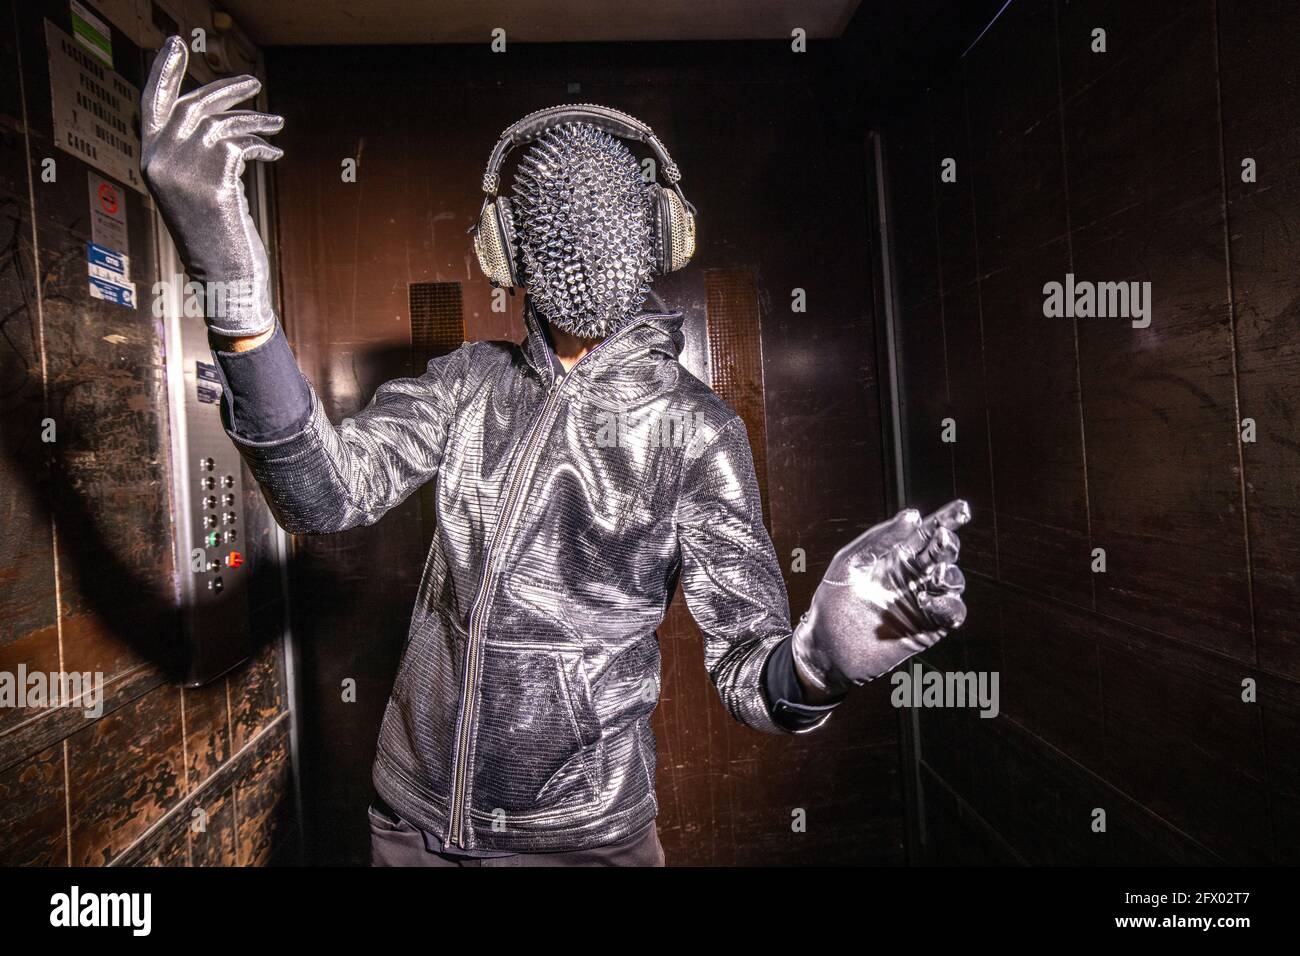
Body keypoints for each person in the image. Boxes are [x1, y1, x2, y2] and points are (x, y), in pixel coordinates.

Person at [139, 36, 971, 867]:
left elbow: (747, 668)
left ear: (655, 232)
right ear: (511, 253)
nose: (588, 228)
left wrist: (817, 664)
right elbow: (322, 497)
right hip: (413, 823)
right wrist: (228, 279)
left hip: (584, 843)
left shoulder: (697, 430)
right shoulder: (466, 382)